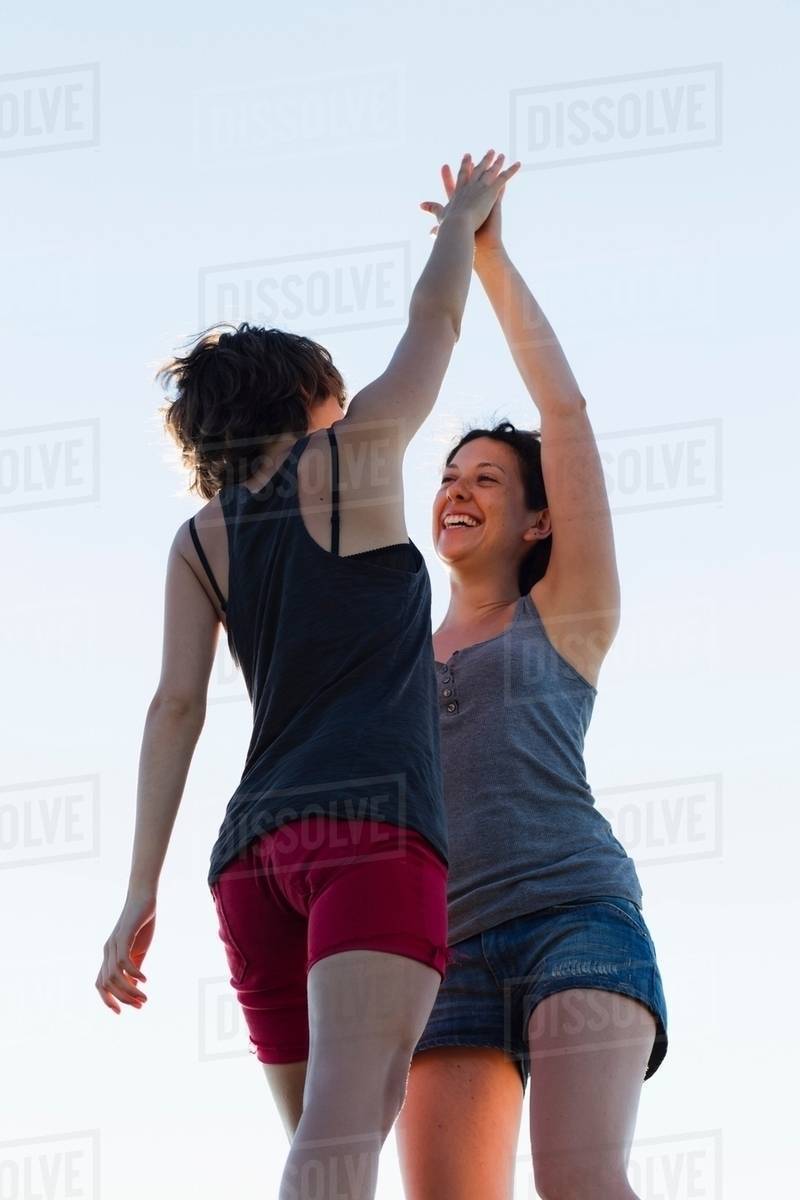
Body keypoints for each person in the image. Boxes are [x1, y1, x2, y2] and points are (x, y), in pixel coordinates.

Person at [94, 149, 521, 1200]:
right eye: (332, 396)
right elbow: (434, 326)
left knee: (326, 1154)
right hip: (371, 833)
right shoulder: (355, 456)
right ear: (312, 399)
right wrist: (461, 219)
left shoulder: (199, 540)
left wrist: (138, 891)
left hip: (249, 862)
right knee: (338, 1143)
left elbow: (174, 707)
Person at [395, 162, 669, 1200]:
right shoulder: (389, 658)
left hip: (575, 917)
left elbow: (563, 411)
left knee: (578, 1182)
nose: (458, 492)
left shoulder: (567, 614)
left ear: (536, 519)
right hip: (443, 952)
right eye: (448, 478)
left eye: (487, 480)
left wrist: (489, 259)